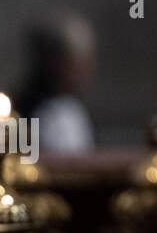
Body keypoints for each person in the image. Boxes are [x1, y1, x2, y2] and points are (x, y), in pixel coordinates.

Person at [13, 12, 97, 156]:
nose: (86, 70)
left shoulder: (71, 108)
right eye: (78, 63)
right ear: (58, 62)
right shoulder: (44, 112)